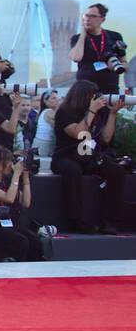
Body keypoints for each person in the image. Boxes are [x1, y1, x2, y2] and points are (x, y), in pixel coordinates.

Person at [50, 80, 128, 234]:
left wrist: (112, 114)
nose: (96, 99)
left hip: (90, 156)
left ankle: (109, 221)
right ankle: (75, 220)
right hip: (67, 156)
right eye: (92, 95)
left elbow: (105, 138)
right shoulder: (65, 112)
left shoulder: (100, 112)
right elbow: (79, 133)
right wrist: (91, 111)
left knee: (116, 171)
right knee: (72, 170)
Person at [0, 146, 47, 262]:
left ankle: (34, 272)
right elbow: (8, 198)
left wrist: (25, 179)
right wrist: (16, 175)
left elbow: (26, 202)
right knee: (22, 242)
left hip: (13, 223)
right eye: (8, 161)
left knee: (35, 241)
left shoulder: (8, 181)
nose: (11, 164)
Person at [68, 3, 127, 95]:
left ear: (102, 19)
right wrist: (83, 34)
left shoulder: (114, 36)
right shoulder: (77, 38)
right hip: (85, 90)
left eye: (93, 16)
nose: (88, 19)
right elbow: (76, 57)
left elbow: (125, 63)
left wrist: (115, 66)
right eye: (86, 15)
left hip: (110, 89)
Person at [30, 89, 59, 159]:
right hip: (44, 145)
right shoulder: (48, 112)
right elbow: (61, 120)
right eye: (53, 98)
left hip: (43, 144)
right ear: (45, 101)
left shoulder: (43, 112)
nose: (57, 100)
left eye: (57, 98)